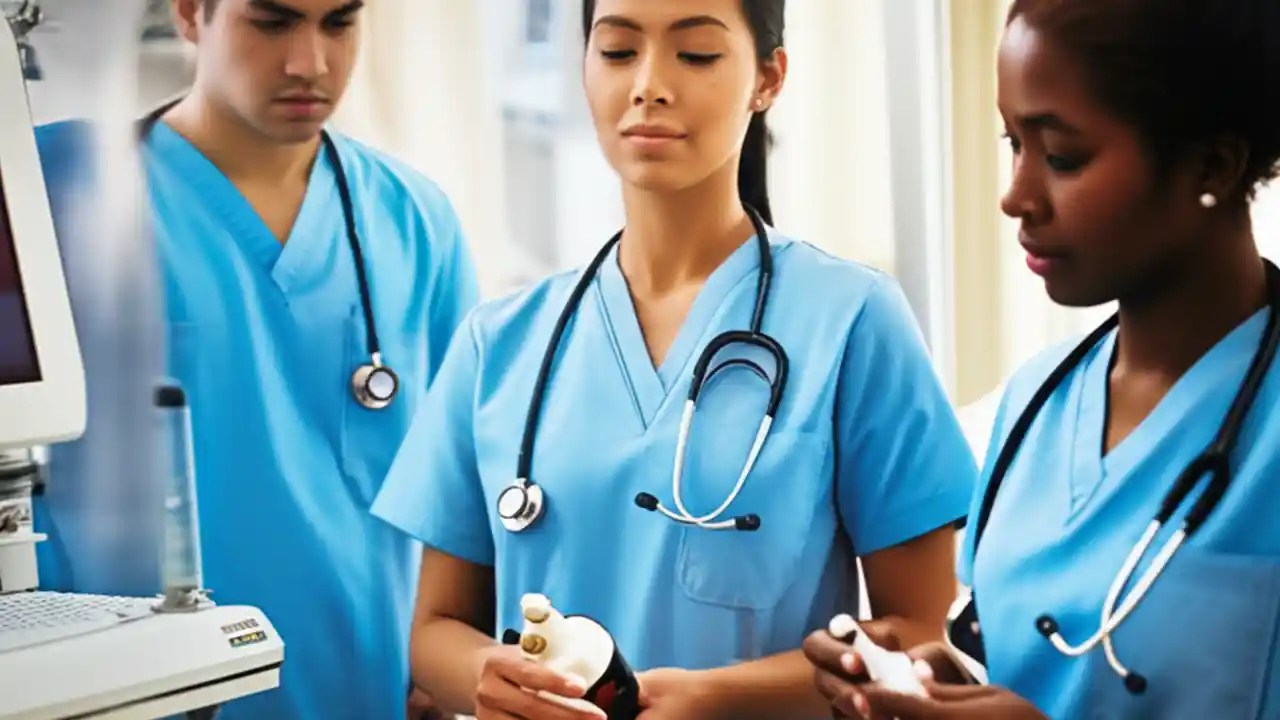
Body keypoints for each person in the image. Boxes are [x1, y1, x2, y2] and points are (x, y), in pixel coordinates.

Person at [371, 1, 977, 718]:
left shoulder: (851, 320)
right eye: (620, 52)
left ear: (768, 78)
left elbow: (924, 635)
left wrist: (721, 699)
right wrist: (483, 674)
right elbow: (434, 628)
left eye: (695, 55)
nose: (649, 85)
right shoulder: (498, 343)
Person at [804, 1, 1280, 718]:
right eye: (1013, 144)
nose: (1016, 195)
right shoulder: (1034, 404)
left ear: (1211, 163)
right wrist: (951, 678)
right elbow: (1025, 659)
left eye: (1061, 156)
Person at [33, 0, 477, 717]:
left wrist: (447, 658)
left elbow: (461, 487)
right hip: (130, 692)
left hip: (359, 683)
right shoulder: (60, 190)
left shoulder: (416, 219)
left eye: (339, 22)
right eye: (271, 22)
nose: (311, 63)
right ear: (188, 14)